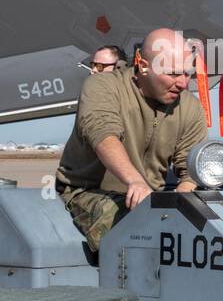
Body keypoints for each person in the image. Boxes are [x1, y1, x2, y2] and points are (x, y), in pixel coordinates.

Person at [56, 28, 209, 251]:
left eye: (188, 74)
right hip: (87, 193)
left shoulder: (189, 106)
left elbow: (191, 170)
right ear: (143, 65)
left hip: (151, 201)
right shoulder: (103, 87)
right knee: (136, 230)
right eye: (174, 74)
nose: (183, 83)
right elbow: (103, 136)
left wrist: (180, 203)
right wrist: (134, 181)